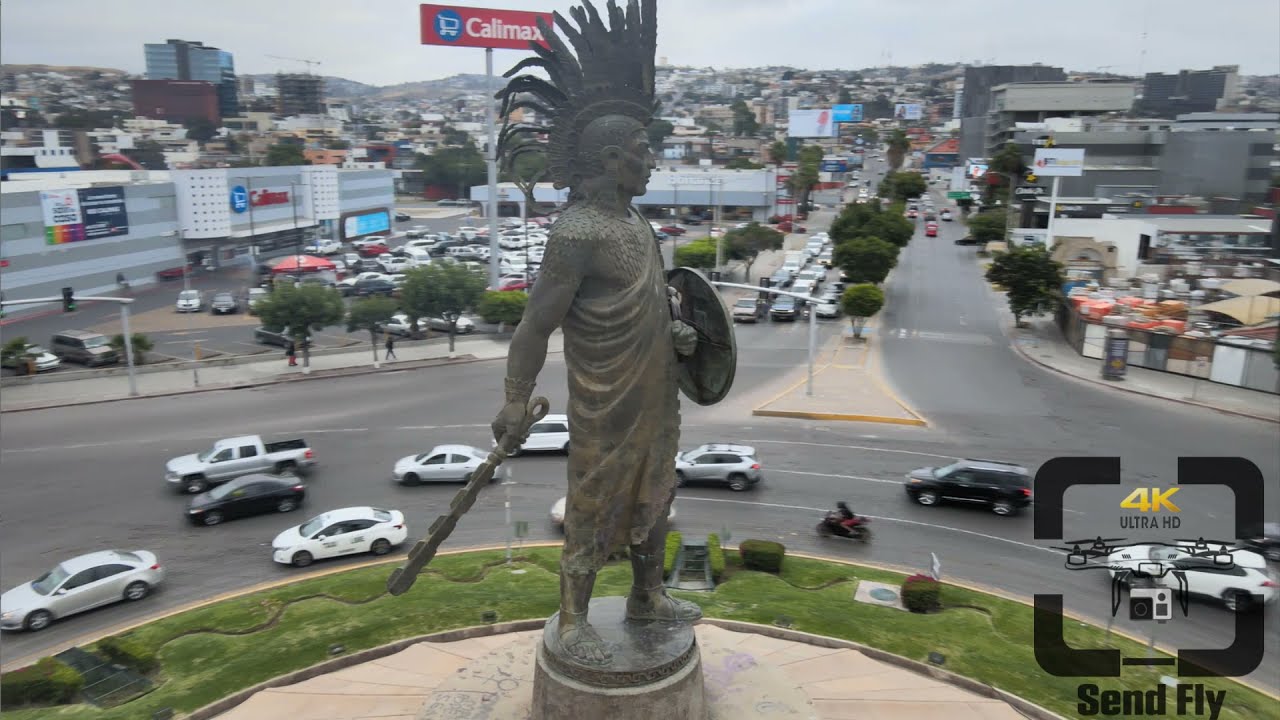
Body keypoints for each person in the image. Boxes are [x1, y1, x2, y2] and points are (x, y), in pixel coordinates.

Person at [490, 0, 707, 667]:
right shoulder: (578, 232)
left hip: (655, 391)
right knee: (594, 502)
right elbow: (535, 324)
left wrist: (677, 330)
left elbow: (646, 297)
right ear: (612, 158)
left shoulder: (637, 223)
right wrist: (512, 398)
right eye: (641, 151)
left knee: (656, 493)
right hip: (604, 403)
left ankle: (647, 596)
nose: (650, 160)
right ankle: (574, 616)